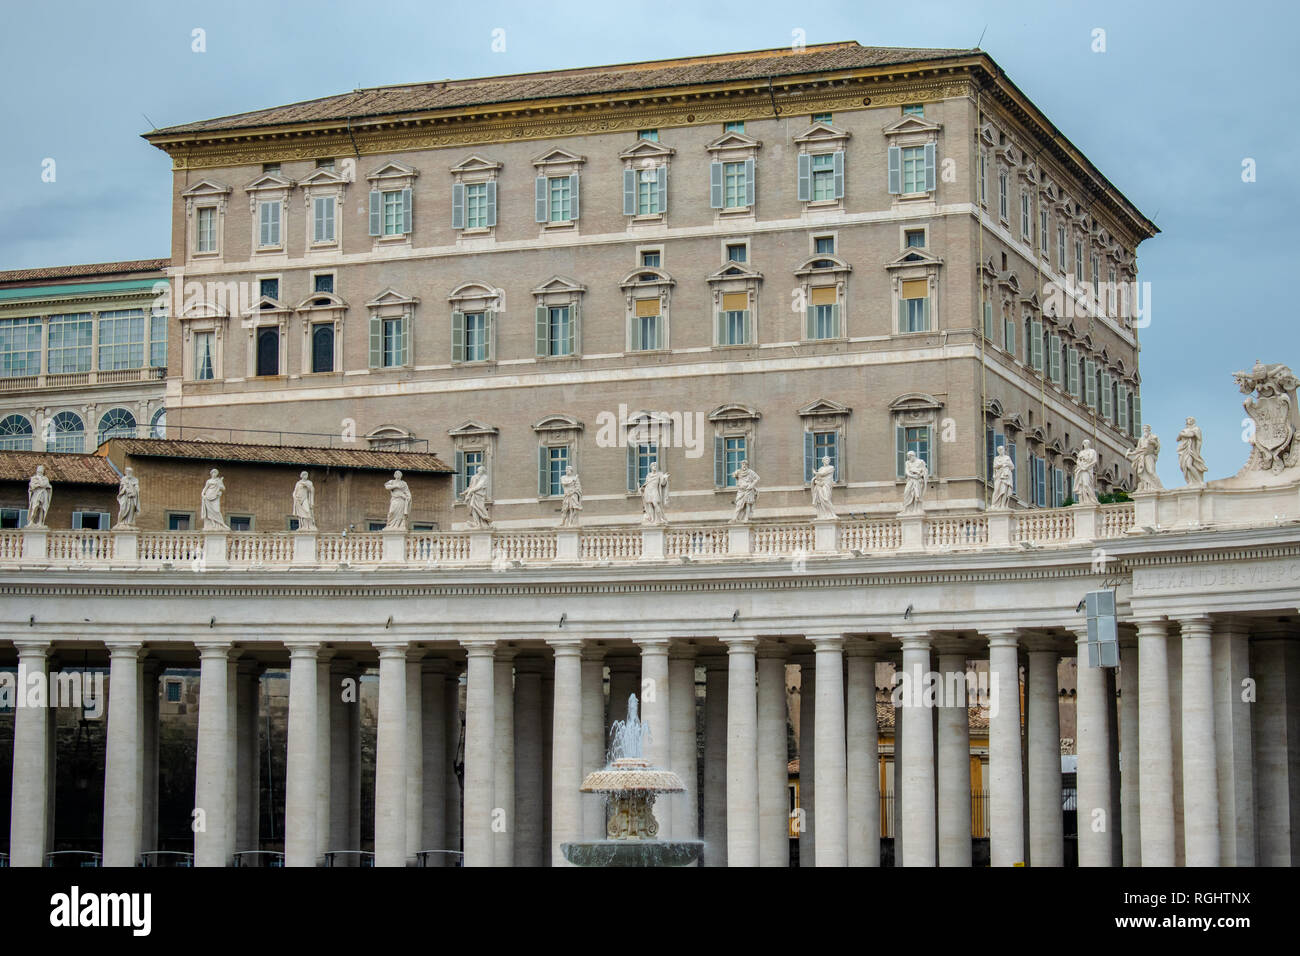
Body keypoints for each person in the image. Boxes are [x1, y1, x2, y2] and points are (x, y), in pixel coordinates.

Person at [1126, 424, 1164, 492]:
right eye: (1144, 429)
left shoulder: (1153, 437)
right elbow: (1138, 448)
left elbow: (1157, 446)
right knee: (1142, 472)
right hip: (1142, 456)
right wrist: (1132, 453)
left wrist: (1153, 442)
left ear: (1149, 430)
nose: (1145, 430)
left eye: (1146, 429)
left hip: (1149, 456)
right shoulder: (1141, 439)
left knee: (1151, 471)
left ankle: (1159, 487)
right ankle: (1146, 487)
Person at [1177, 417, 1207, 486]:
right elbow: (1177, 439)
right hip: (1183, 450)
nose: (1188, 421)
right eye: (1187, 420)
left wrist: (1182, 434)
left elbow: (1191, 435)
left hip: (1191, 449)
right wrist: (1181, 433)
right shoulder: (1184, 430)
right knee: (1183, 466)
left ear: (1193, 421)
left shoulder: (1196, 429)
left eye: (1189, 420)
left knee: (1189, 465)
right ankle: (1190, 481)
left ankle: (1199, 481)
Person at [640, 460, 669, 525]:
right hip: (648, 490)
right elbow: (646, 483)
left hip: (654, 490)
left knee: (655, 503)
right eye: (653, 466)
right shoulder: (648, 475)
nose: (654, 467)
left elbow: (662, 484)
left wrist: (665, 478)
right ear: (651, 467)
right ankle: (652, 519)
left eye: (655, 465)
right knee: (650, 505)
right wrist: (642, 489)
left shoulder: (659, 474)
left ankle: (660, 518)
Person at [1073, 440, 1099, 505]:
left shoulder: (1092, 451)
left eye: (1085, 443)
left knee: (1086, 484)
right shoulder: (1081, 452)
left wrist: (1087, 466)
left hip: (1087, 470)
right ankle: (1082, 501)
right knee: (1080, 485)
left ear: (1088, 444)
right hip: (1081, 469)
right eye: (1083, 443)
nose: (1084, 444)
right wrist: (1080, 465)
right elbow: (1078, 461)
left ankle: (1092, 500)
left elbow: (1095, 460)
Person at [811, 455, 836, 519]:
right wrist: (816, 480)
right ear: (823, 461)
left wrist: (815, 472)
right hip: (820, 485)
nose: (827, 461)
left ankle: (832, 514)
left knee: (826, 498)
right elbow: (818, 477)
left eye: (828, 460)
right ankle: (823, 514)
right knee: (820, 501)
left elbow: (823, 474)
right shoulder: (821, 469)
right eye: (826, 460)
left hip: (827, 485)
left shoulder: (831, 468)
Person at [991, 445, 1014, 510]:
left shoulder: (1007, 457)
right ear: (998, 451)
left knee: (1004, 490)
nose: (1001, 451)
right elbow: (994, 466)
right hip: (998, 475)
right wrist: (1001, 465)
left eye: (1002, 449)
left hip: (1006, 475)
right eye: (999, 450)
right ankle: (994, 504)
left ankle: (1003, 505)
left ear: (1004, 450)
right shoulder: (996, 458)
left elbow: (1012, 467)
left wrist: (1006, 464)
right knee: (997, 490)